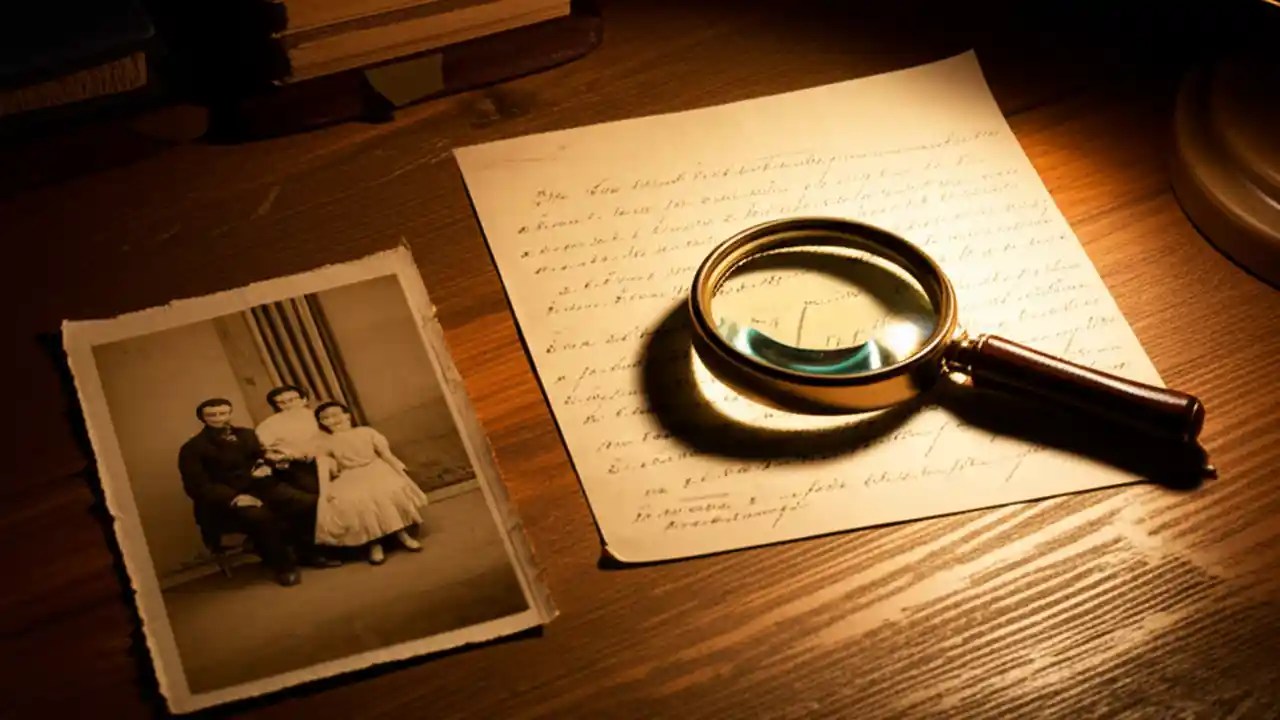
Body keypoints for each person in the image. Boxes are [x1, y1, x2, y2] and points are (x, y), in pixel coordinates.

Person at [177, 398, 302, 586]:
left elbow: (259, 458)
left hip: (258, 488)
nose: (219, 418)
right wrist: (235, 498)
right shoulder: (193, 448)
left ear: (230, 413)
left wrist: (265, 465)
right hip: (222, 503)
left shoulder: (247, 435)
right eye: (212, 415)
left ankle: (309, 552)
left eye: (223, 413)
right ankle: (283, 567)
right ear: (202, 418)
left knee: (299, 500)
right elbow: (197, 485)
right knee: (260, 516)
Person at [312, 401, 428, 565]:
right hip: (350, 475)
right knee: (356, 500)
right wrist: (325, 492)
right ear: (322, 423)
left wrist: (398, 467)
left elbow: (386, 454)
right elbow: (323, 469)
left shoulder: (366, 432)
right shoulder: (326, 443)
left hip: (376, 468)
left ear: (347, 415)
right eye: (326, 418)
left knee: (384, 493)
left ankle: (402, 535)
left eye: (336, 415)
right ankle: (374, 543)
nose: (333, 420)